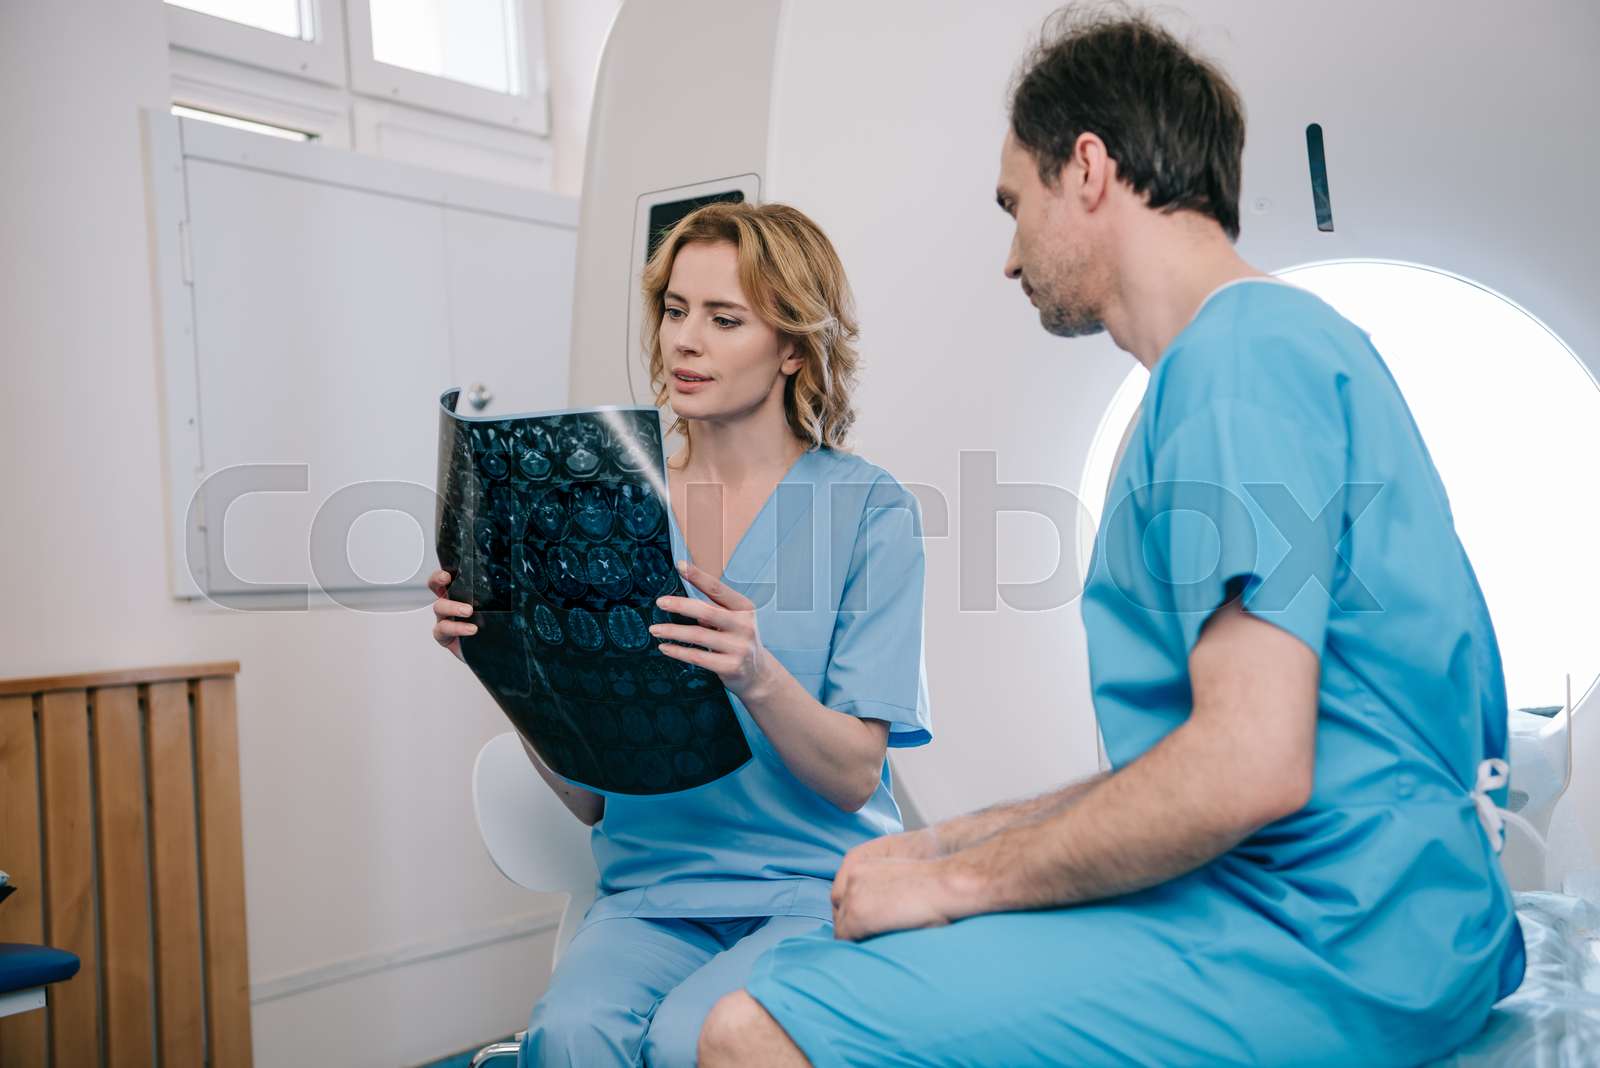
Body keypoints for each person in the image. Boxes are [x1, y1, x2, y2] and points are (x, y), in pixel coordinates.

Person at [699, 8, 1524, 1066]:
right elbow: (1208, 750)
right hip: (1403, 917)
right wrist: (946, 840)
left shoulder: (1237, 364)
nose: (1008, 258)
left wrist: (952, 883)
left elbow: (1246, 768)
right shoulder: (1269, 352)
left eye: (1015, 203)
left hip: (1328, 935)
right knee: (828, 960)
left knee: (753, 1029)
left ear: (1085, 168)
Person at [429, 200, 932, 1068]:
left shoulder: (871, 511)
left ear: (793, 349)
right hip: (648, 891)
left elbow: (854, 777)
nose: (684, 341)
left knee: (687, 1040)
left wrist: (756, 673)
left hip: (815, 888)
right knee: (567, 1036)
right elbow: (591, 797)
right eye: (674, 310)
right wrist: (508, 667)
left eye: (724, 318)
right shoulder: (604, 508)